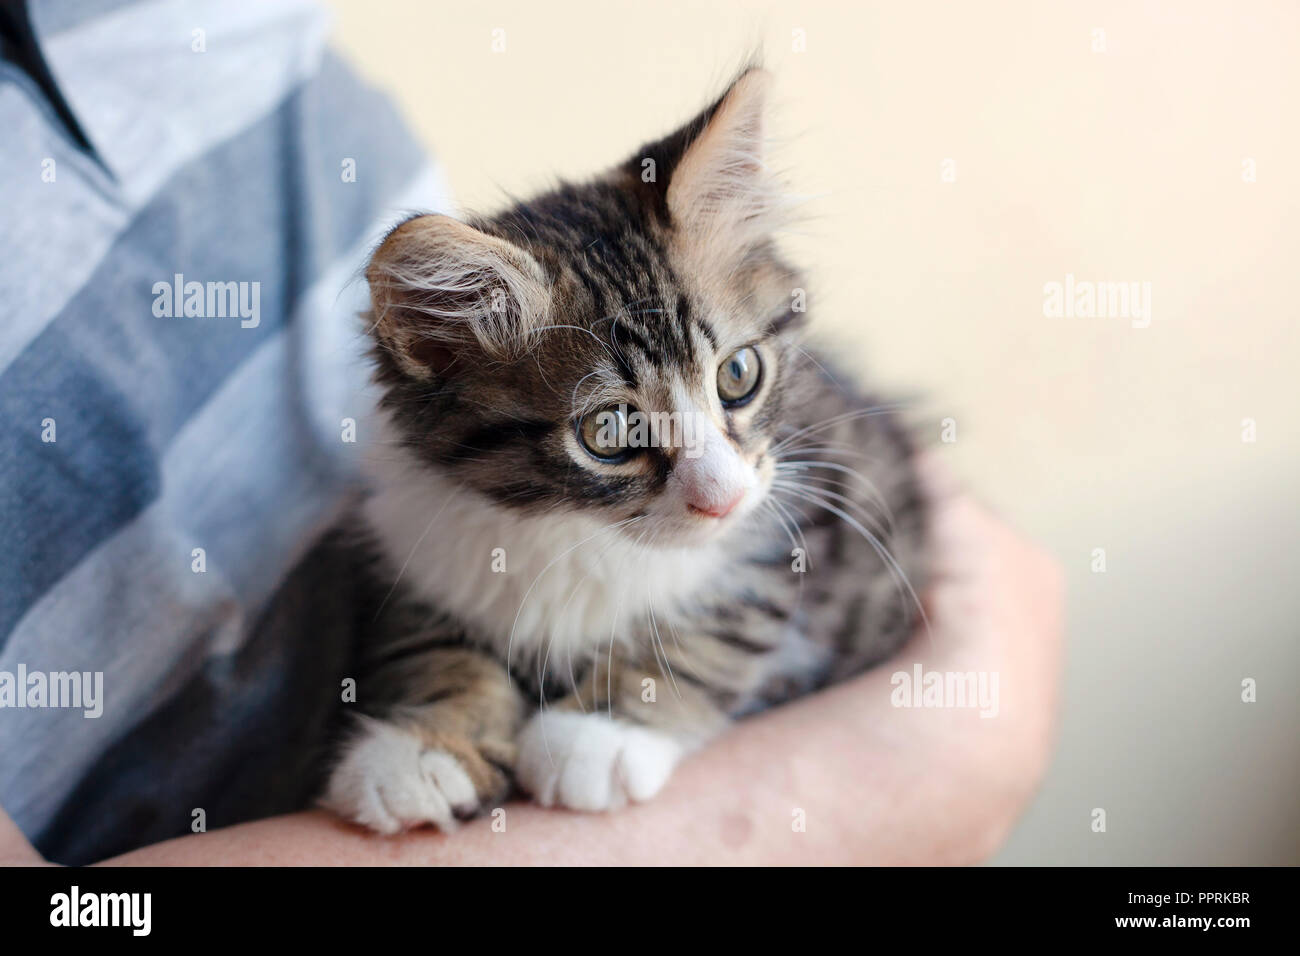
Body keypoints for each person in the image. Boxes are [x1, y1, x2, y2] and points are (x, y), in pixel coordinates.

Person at [0, 0, 1062, 865]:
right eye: (615, 434)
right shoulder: (455, 474)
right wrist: (919, 772)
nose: (718, 485)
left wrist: (647, 703)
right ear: (442, 354)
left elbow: (840, 533)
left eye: (738, 377)